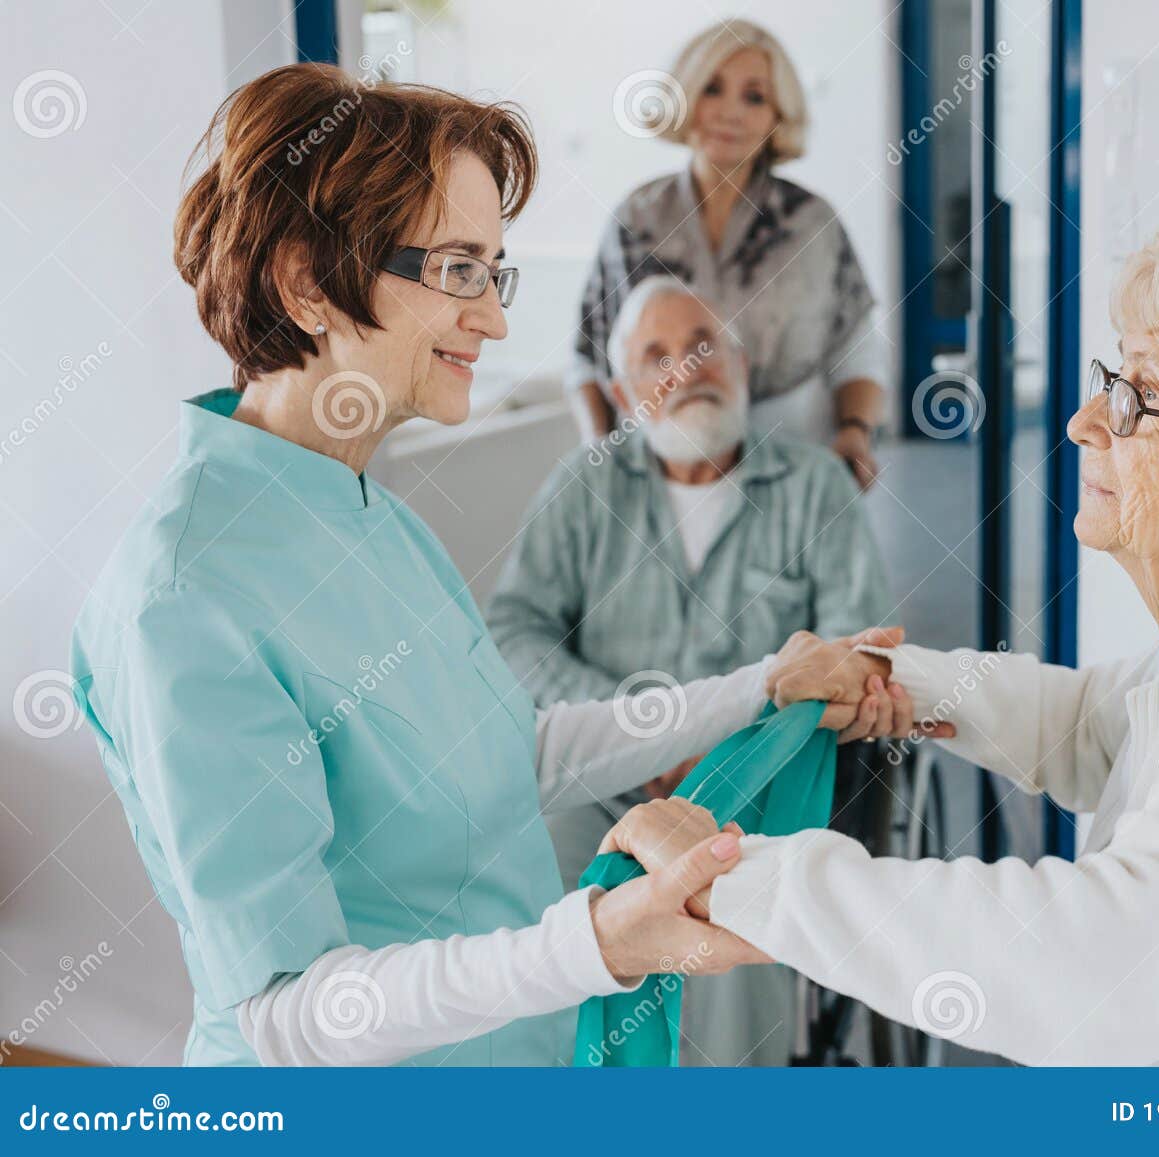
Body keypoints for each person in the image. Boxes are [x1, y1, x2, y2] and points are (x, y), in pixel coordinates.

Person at [67, 63, 871, 1067]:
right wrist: (589, 945)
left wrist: (759, 686)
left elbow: (507, 755)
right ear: (307, 283)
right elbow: (285, 1009)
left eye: (495, 272)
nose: (492, 318)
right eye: (456, 270)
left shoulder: (368, 510)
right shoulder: (186, 596)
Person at [605, 205, 1159, 1066]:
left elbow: (1101, 971)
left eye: (1141, 403)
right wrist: (892, 677)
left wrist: (738, 876)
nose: (1083, 423)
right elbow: (1102, 727)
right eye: (1116, 381)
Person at [488, 275, 890, 1064]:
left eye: (705, 345)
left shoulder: (814, 487)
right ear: (620, 390)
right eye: (657, 354)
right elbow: (514, 628)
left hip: (753, 787)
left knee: (727, 910)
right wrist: (634, 735)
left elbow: (857, 648)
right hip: (603, 781)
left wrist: (726, 752)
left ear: (740, 364)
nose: (687, 368)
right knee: (529, 880)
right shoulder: (582, 488)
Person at [568, 18, 887, 487]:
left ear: (778, 115)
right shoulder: (636, 220)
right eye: (712, 88)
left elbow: (855, 347)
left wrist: (856, 433)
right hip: (664, 470)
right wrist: (599, 451)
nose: (730, 112)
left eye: (754, 96)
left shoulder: (812, 223)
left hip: (794, 464)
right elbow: (587, 353)